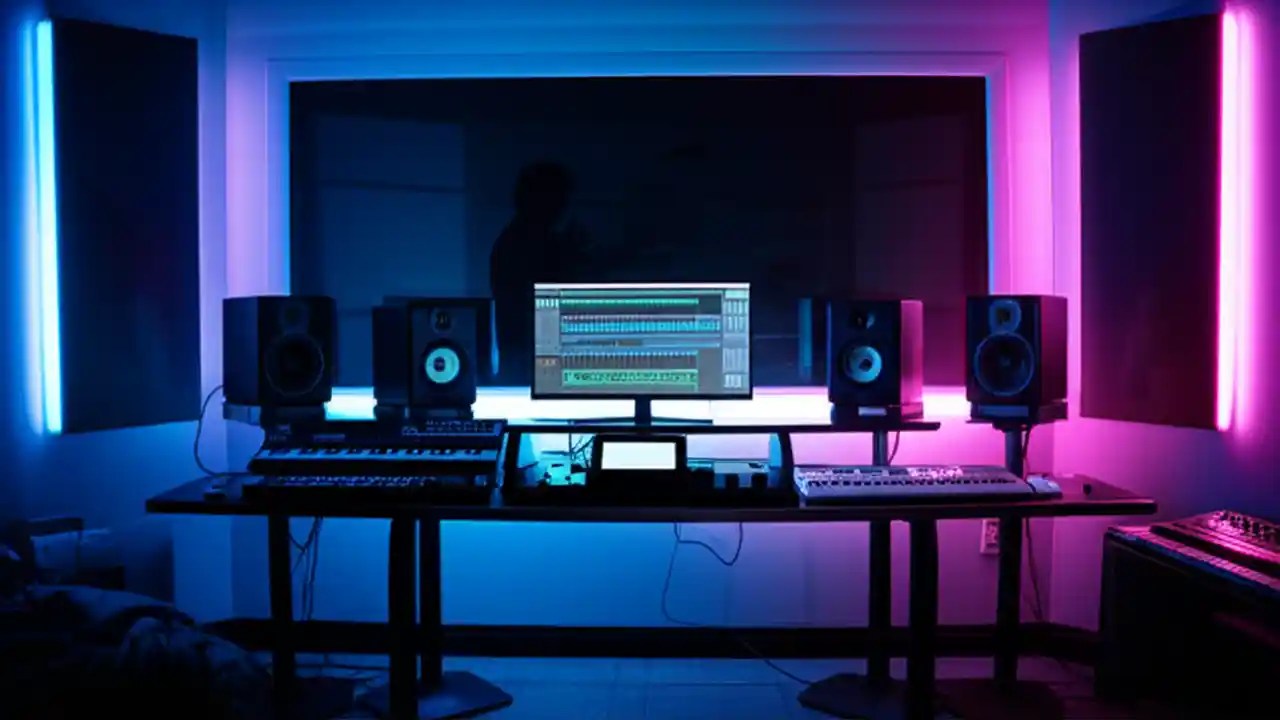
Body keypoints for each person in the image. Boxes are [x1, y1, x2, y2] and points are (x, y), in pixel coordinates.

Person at [489, 162, 586, 385]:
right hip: (529, 361)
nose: (563, 205)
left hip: (529, 359)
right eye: (558, 197)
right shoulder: (527, 245)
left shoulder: (522, 241)